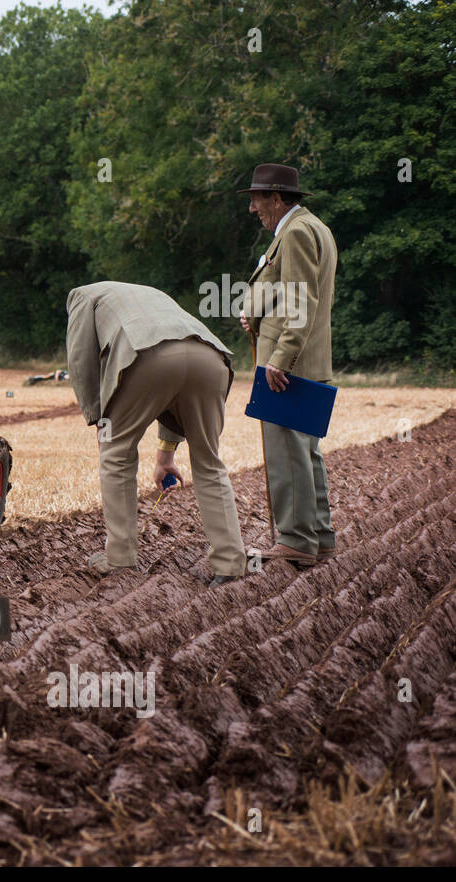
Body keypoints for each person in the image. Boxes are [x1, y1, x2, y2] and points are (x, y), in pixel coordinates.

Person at [66, 281, 247, 586]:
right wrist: (165, 456)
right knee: (209, 462)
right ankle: (231, 562)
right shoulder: (156, 294)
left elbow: (81, 360)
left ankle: (120, 557)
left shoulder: (81, 295)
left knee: (117, 454)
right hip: (210, 359)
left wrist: (99, 419)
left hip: (146, 356)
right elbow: (176, 368)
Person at [237, 163, 337, 568]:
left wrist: (281, 357)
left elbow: (301, 299)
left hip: (287, 366)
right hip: (307, 361)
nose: (253, 208)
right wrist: (256, 313)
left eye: (257, 199)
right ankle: (320, 537)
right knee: (307, 453)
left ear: (277, 198)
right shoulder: (317, 229)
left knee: (287, 454)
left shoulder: (294, 233)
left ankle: (296, 539)